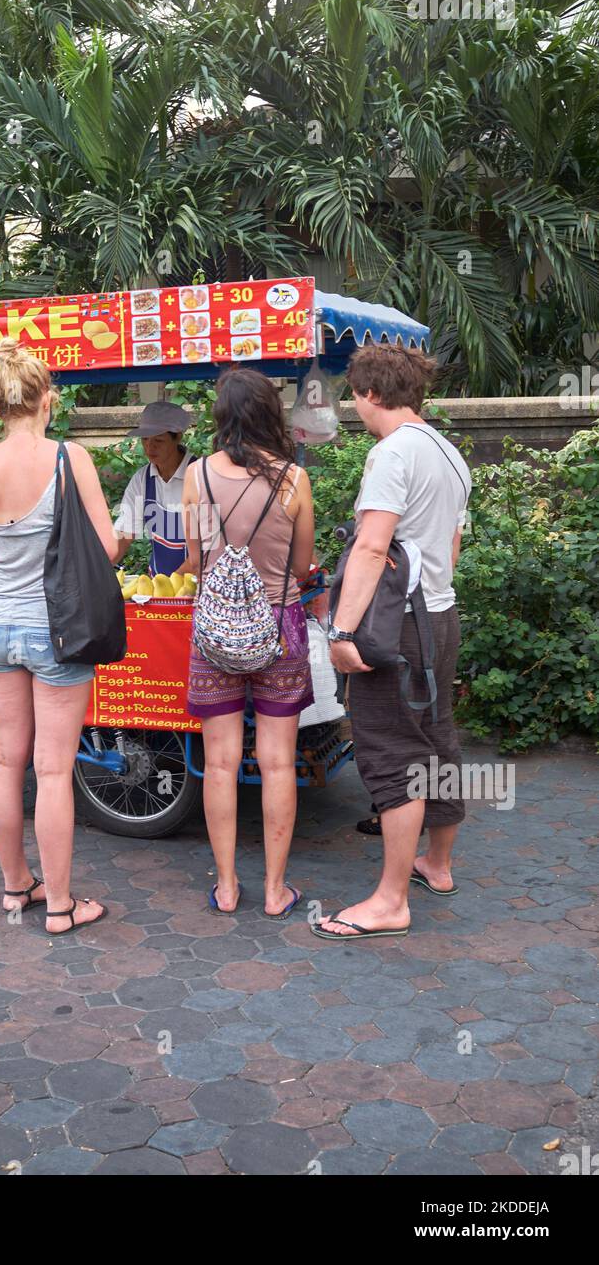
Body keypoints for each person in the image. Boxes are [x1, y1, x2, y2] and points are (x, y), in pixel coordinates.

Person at [0, 339, 119, 934]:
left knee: (4, 761)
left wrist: (8, 550)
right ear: (47, 399)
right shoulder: (70, 459)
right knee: (52, 770)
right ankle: (64, 907)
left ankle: (18, 887)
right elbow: (108, 546)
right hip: (57, 632)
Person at [313, 345, 471, 941]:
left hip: (395, 626)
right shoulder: (449, 453)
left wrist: (342, 630)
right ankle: (438, 864)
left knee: (389, 749)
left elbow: (373, 547)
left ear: (371, 394)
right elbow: (449, 549)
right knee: (436, 737)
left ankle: (390, 900)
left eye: (353, 393)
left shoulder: (391, 454)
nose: (353, 404)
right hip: (438, 615)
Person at [183, 367, 316, 919]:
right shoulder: (293, 480)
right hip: (280, 627)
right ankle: (275, 890)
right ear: (270, 413)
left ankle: (228, 885)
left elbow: (194, 561)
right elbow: (303, 565)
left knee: (219, 764)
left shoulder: (197, 477)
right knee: (279, 763)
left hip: (213, 632)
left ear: (222, 417)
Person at [114, 400, 195, 577]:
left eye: (158, 440)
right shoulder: (142, 480)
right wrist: (102, 564)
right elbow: (125, 532)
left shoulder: (199, 476)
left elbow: (207, 547)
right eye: (145, 439)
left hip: (200, 587)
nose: (150, 447)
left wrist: (175, 584)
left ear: (178, 437)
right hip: (158, 583)